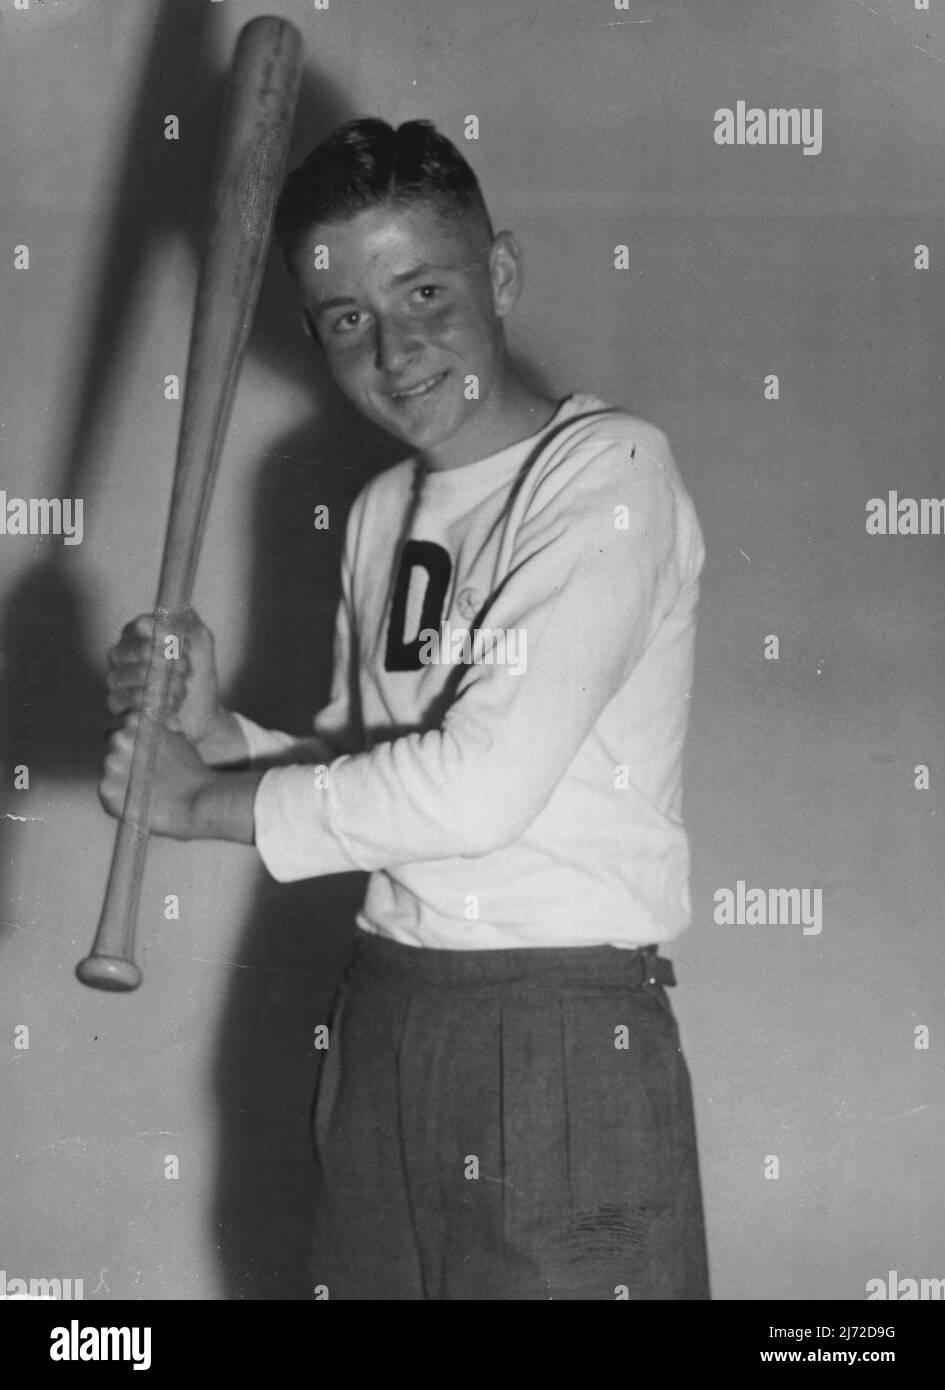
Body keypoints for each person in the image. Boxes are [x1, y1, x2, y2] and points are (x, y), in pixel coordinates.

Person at [101, 117, 710, 1301]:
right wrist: (221, 737)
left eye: (426, 290)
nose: (396, 346)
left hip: (558, 1033)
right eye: (346, 319)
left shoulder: (611, 474)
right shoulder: (384, 508)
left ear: (505, 274)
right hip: (384, 1010)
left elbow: (476, 788)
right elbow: (377, 764)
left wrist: (202, 804)